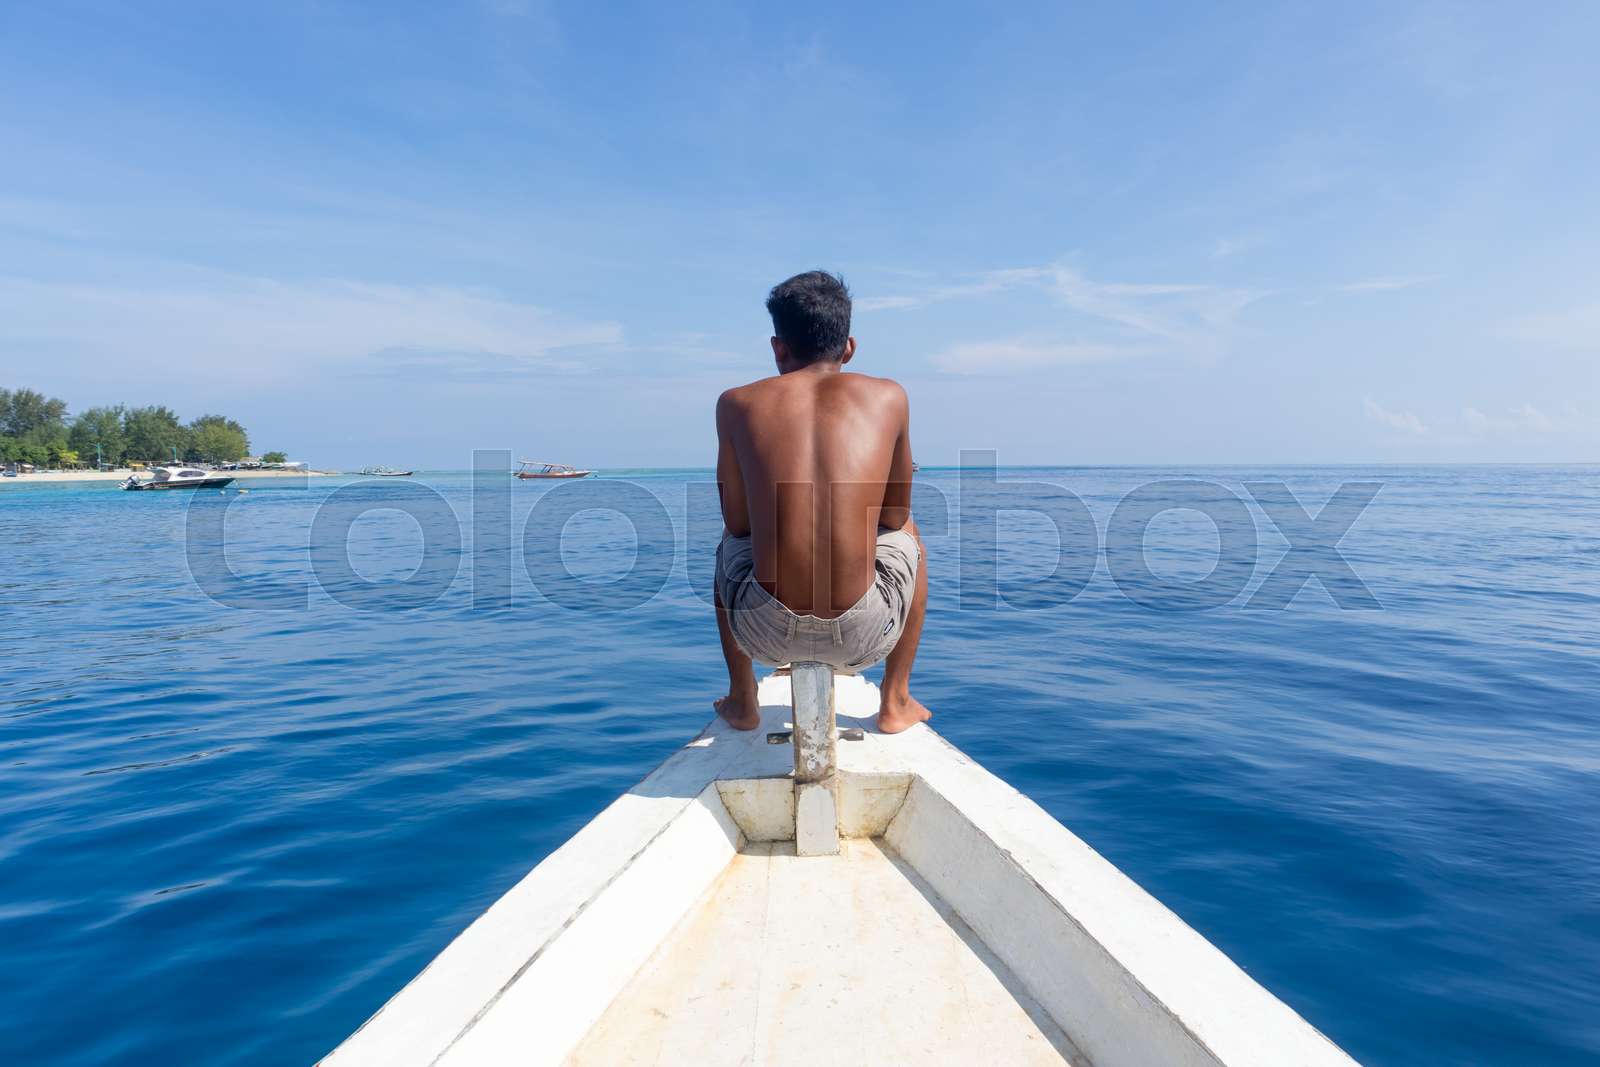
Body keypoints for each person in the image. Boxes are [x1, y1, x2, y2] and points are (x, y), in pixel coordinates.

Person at [713, 270, 930, 734]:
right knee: (911, 534)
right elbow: (895, 515)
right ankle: (895, 700)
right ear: (849, 347)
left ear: (778, 348)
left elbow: (738, 522)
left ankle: (743, 698)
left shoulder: (736, 403)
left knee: (728, 542)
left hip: (763, 633)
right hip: (864, 634)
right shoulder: (889, 396)